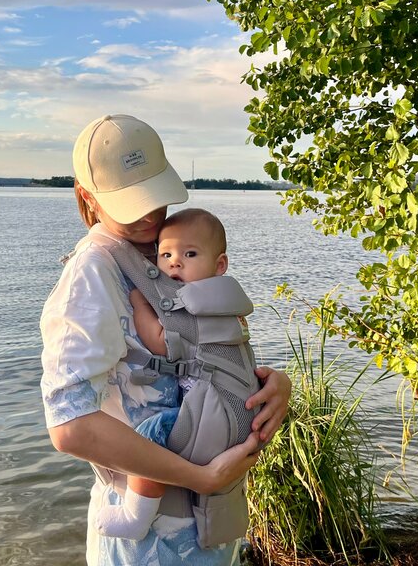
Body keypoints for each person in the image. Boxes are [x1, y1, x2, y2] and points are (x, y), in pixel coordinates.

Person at [40, 114, 291, 565]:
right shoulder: (92, 275)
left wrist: (273, 384)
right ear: (87, 197)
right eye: (130, 203)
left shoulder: (161, 253)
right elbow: (70, 426)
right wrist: (200, 478)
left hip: (204, 528)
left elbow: (203, 350)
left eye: (154, 198)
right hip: (148, 543)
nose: (149, 216)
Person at [96, 207, 249, 541]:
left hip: (213, 414)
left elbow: (160, 342)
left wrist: (139, 305)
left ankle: (137, 516)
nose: (174, 263)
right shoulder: (224, 304)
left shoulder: (195, 310)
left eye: (189, 254)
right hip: (227, 409)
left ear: (219, 265)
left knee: (150, 436)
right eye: (165, 255)